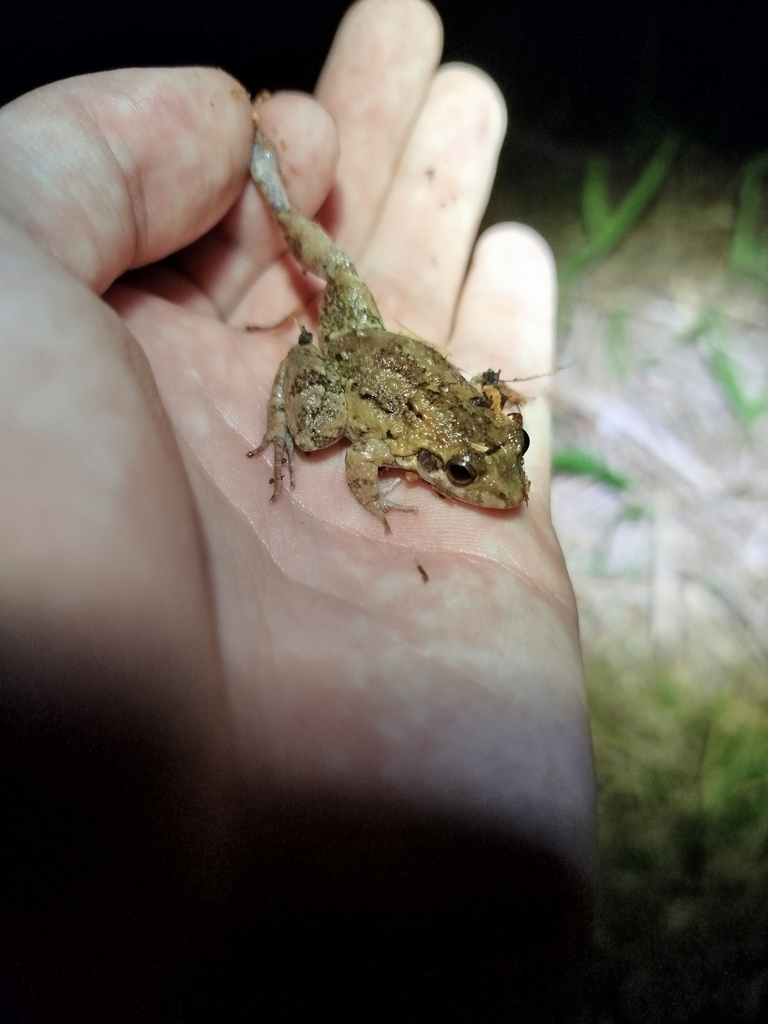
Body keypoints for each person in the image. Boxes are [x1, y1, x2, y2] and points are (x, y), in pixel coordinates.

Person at [0, 0, 595, 1019]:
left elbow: (462, 410)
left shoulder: (472, 425)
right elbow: (365, 459)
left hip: (387, 352)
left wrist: (456, 444)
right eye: (469, 472)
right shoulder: (402, 443)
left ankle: (278, 199)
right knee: (325, 388)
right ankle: (278, 260)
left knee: (346, 276)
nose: (495, 488)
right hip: (360, 372)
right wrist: (381, 482)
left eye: (498, 463)